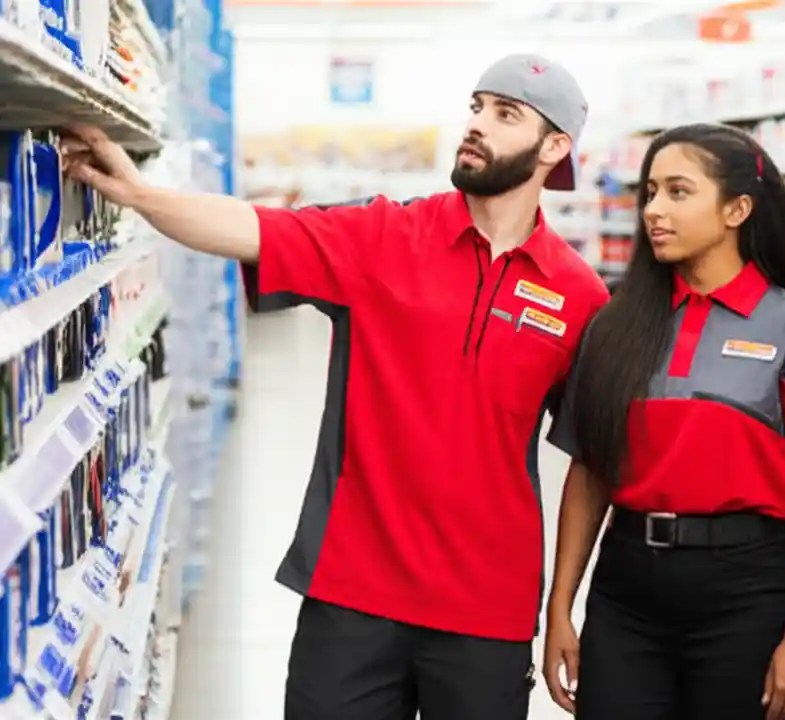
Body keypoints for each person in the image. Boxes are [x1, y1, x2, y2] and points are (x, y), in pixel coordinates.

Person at [61, 54, 609, 720]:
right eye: (475, 106)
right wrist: (140, 195)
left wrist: (562, 610)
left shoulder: (577, 294)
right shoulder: (385, 234)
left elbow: (591, 460)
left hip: (487, 608)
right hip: (354, 590)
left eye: (505, 113)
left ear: (554, 147)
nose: (476, 124)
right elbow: (249, 228)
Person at [540, 123, 785, 720]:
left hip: (745, 591)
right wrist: (560, 605)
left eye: (678, 192)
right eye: (651, 193)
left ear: (737, 209)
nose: (654, 210)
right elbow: (589, 474)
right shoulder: (616, 326)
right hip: (627, 590)